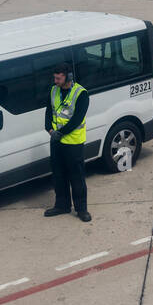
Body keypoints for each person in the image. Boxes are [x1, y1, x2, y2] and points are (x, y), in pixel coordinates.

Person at [44, 64, 90, 222]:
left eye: (58, 78)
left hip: (73, 142)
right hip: (56, 142)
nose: (55, 81)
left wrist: (60, 133)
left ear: (68, 77)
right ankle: (62, 205)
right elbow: (49, 111)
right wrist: (49, 129)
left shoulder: (81, 94)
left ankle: (81, 209)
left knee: (76, 177)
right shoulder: (53, 90)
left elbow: (77, 119)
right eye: (54, 77)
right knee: (58, 175)